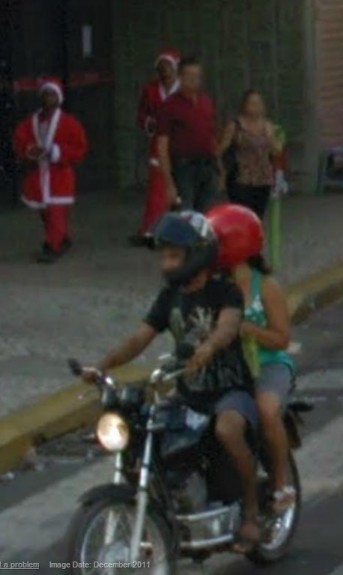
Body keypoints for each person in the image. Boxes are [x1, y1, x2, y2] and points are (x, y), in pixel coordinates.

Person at [79, 211, 263, 552]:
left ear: (198, 254)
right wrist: (102, 366)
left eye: (174, 255)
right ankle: (167, 504)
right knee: (145, 432)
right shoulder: (169, 298)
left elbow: (227, 327)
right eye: (164, 255)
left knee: (227, 430)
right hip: (188, 393)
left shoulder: (224, 291)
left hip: (228, 390)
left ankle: (251, 512)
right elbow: (139, 338)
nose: (166, 263)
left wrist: (209, 346)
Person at [231, 225, 296, 513]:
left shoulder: (266, 287)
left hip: (269, 363)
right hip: (231, 367)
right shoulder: (214, 285)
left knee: (266, 409)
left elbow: (282, 338)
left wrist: (247, 330)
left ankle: (281, 485)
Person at [11, 77, 88, 264]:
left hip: (60, 174)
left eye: (52, 94)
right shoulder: (31, 122)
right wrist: (30, 150)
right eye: (45, 94)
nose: (48, 98)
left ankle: (52, 245)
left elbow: (80, 148)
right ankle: (62, 238)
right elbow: (19, 140)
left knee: (56, 211)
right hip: (40, 174)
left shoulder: (70, 123)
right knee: (46, 212)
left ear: (59, 98)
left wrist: (56, 151)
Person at [130, 49, 181, 247]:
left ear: (175, 68)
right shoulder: (150, 90)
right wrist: (148, 123)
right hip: (157, 146)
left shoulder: (184, 89)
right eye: (160, 68)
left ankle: (175, 234)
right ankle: (150, 231)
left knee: (180, 192)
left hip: (181, 146)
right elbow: (141, 115)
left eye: (167, 66)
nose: (163, 71)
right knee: (156, 191)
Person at [156, 57, 220, 213]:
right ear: (180, 77)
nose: (194, 80)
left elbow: (211, 135)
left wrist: (219, 166)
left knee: (207, 215)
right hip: (184, 167)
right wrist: (169, 183)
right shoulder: (169, 105)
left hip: (207, 165)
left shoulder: (206, 101)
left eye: (197, 76)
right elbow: (162, 145)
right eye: (189, 76)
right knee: (185, 215)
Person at [218, 90, 282, 219]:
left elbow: (276, 151)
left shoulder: (267, 126)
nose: (255, 108)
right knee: (243, 216)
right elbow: (220, 150)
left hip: (263, 178)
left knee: (257, 216)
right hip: (241, 178)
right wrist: (222, 173)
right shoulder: (235, 126)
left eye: (258, 104)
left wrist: (271, 138)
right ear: (244, 105)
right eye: (252, 104)